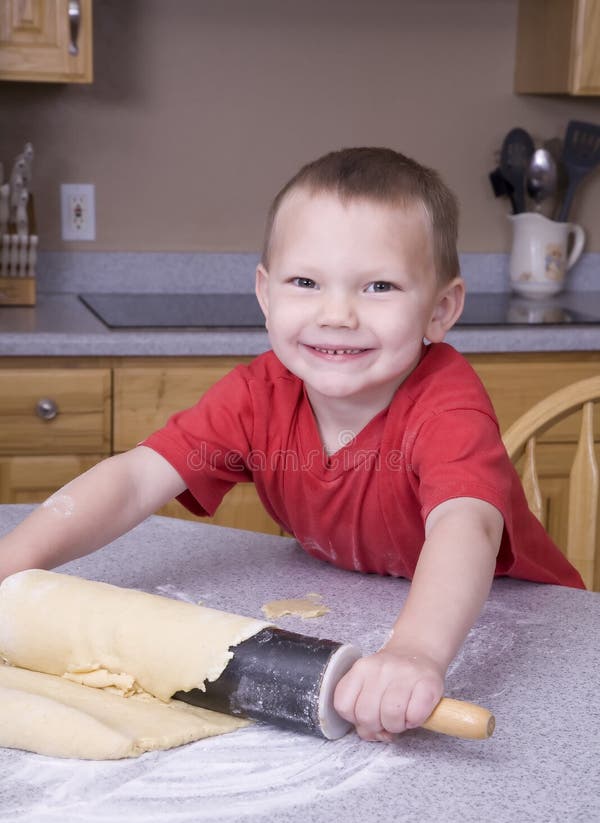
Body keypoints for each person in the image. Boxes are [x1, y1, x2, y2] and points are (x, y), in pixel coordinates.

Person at [0, 147, 584, 743]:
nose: (337, 314)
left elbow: (466, 528)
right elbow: (135, 479)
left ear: (440, 309)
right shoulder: (259, 395)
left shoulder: (446, 405)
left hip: (528, 624)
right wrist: (10, 563)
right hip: (371, 599)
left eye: (379, 286)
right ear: (265, 293)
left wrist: (414, 652)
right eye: (305, 282)